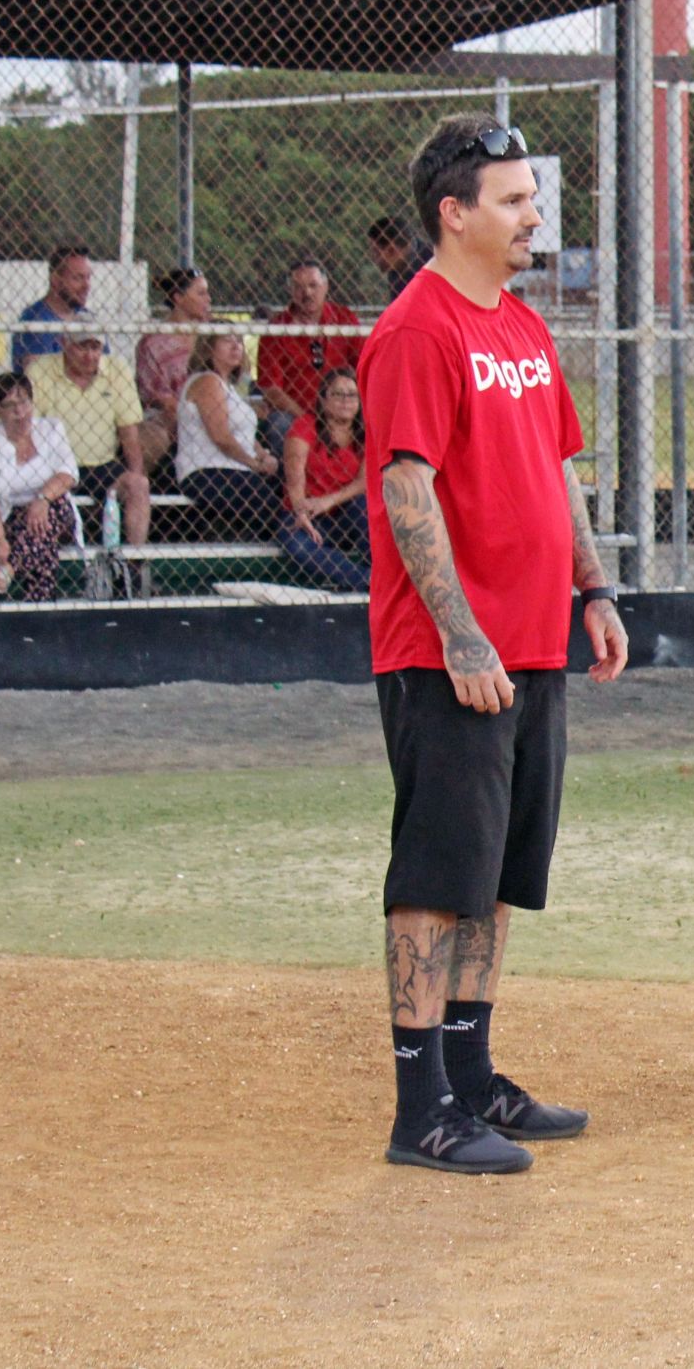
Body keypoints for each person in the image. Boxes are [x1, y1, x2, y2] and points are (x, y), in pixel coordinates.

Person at [360, 113, 627, 1176]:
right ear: (453, 214)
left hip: (532, 641)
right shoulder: (420, 331)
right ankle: (418, 1107)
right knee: (436, 876)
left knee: (498, 873)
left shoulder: (520, 327)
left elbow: (558, 467)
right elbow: (404, 486)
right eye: (514, 200)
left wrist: (594, 589)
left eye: (531, 197)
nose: (533, 215)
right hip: (448, 656)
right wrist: (462, 635)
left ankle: (471, 1081)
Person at [24, 314, 152, 590]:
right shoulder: (41, 371)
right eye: (82, 347)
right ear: (63, 343)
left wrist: (135, 471)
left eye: (96, 346)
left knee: (139, 485)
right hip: (55, 466)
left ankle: (132, 566)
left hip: (102, 463)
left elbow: (129, 434)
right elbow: (30, 429)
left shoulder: (116, 370)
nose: (90, 354)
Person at [0, 371, 80, 601]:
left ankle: (7, 570)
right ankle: (37, 610)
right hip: (8, 520)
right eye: (10, 405)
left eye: (23, 402)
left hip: (52, 509)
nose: (20, 412)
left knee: (56, 507)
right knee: (43, 545)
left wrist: (42, 500)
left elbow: (69, 473)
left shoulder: (51, 429)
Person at [175, 330, 280, 536]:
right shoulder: (207, 381)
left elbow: (247, 436)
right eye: (226, 340)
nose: (236, 346)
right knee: (269, 503)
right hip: (208, 469)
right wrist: (254, 464)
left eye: (239, 341)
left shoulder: (230, 387)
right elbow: (221, 437)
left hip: (236, 468)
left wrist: (264, 456)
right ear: (209, 348)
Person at [256, 259, 363, 459]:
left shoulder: (344, 318)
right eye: (298, 287)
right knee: (279, 424)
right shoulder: (277, 328)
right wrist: (308, 419)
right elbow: (271, 389)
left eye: (313, 285)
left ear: (326, 286)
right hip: (296, 411)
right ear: (290, 290)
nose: (306, 293)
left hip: (342, 406)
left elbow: (364, 369)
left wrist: (346, 408)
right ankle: (288, 486)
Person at [279, 368, 370, 592]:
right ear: (323, 399)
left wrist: (327, 502)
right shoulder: (306, 425)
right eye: (337, 394)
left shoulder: (368, 432)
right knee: (298, 546)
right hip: (305, 512)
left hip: (343, 511)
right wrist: (301, 510)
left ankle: (385, 576)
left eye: (352, 395)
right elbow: (295, 475)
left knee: (366, 506)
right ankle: (367, 580)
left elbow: (364, 482)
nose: (346, 401)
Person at [135, 267, 210, 469]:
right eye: (201, 293)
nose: (208, 299)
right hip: (172, 416)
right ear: (178, 297)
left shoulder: (212, 334)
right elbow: (159, 397)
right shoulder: (154, 342)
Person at [11, 245, 92, 372]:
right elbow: (37, 378)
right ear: (56, 280)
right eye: (78, 278)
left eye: (88, 278)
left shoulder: (88, 318)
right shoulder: (35, 320)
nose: (86, 286)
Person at [366, 212, 431, 302]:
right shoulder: (396, 270)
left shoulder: (435, 261)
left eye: (376, 252)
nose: (373, 258)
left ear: (391, 250)